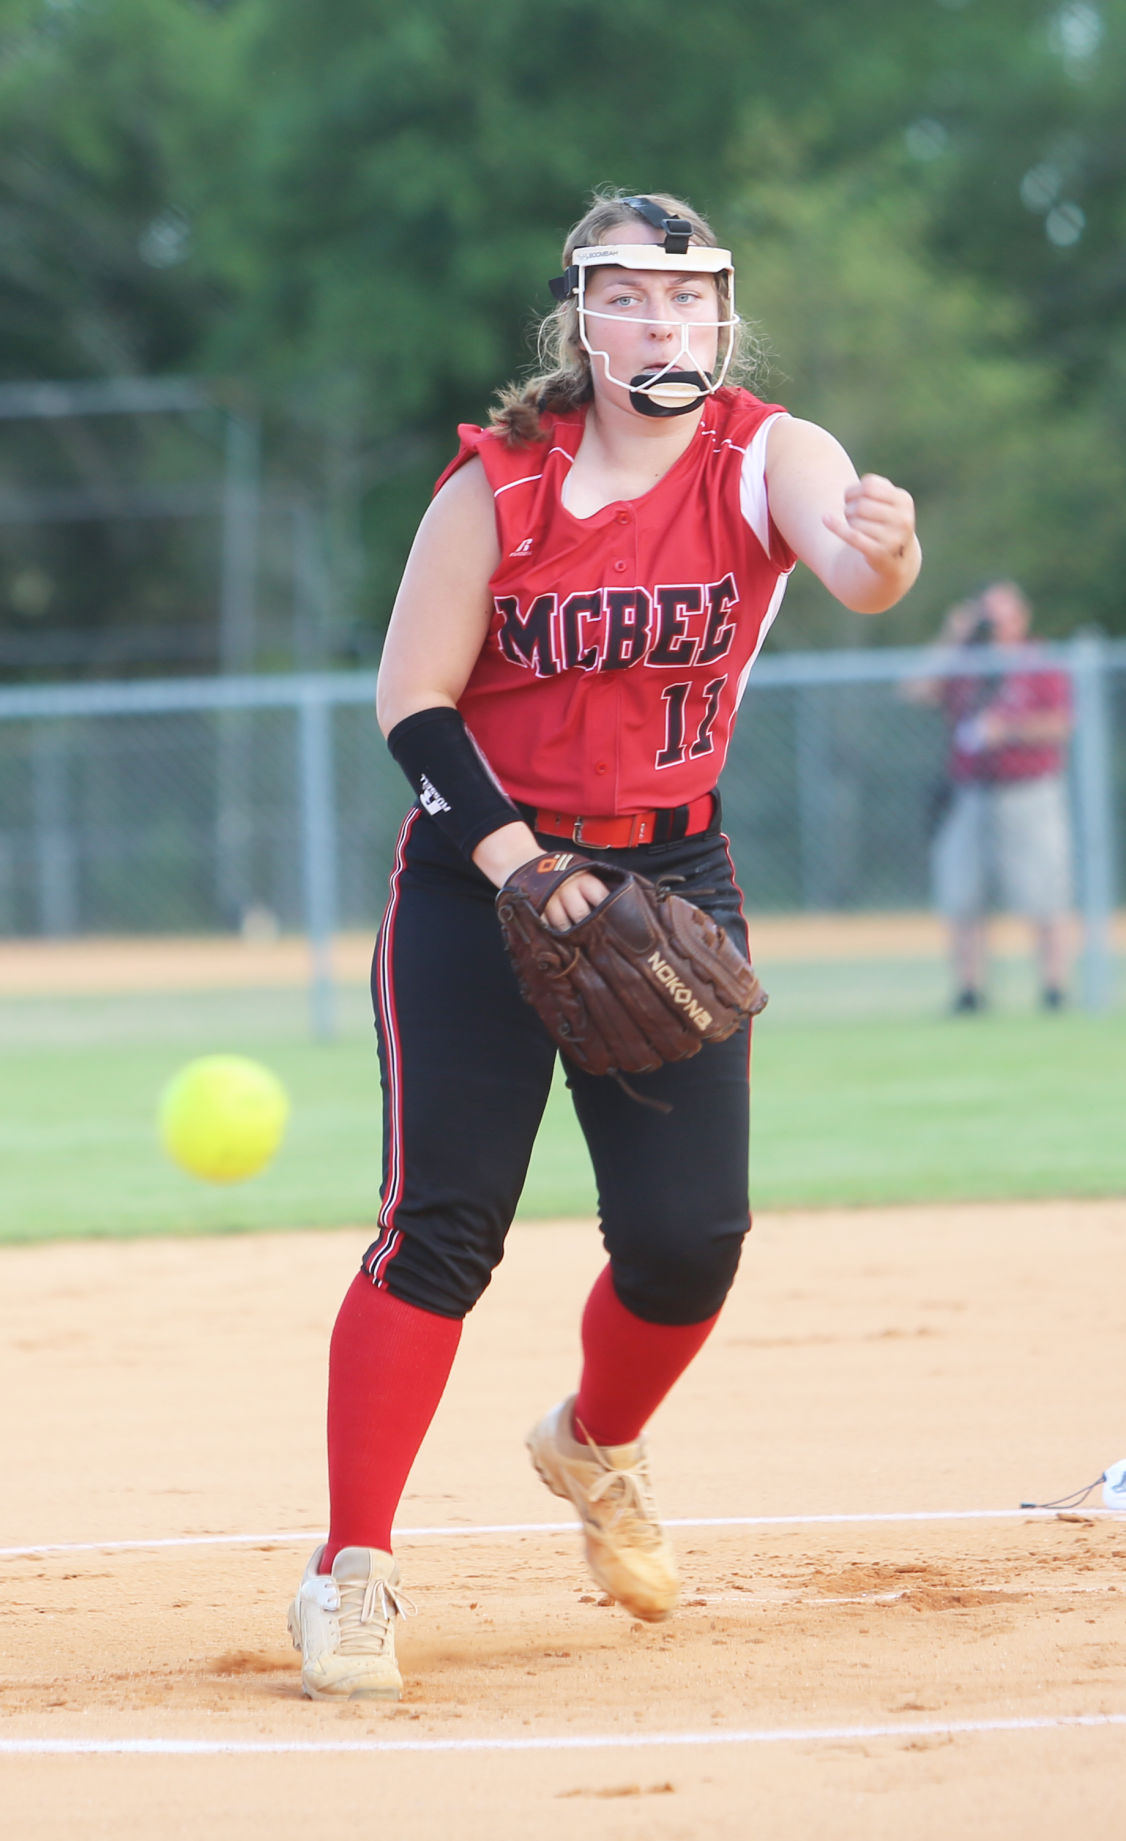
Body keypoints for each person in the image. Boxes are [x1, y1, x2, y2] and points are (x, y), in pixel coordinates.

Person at [286, 189, 921, 1700]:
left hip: (666, 874)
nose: (664, 325)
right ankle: (351, 1569)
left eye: (690, 299)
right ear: (580, 318)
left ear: (721, 319)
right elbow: (411, 705)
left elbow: (848, 557)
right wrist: (514, 864)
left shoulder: (762, 454)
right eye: (631, 297)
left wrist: (885, 552)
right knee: (439, 1228)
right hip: (477, 880)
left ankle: (594, 1442)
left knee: (690, 1239)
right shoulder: (494, 486)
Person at [909, 582, 1073, 1012]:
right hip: (971, 794)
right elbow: (916, 689)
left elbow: (1061, 723)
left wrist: (1007, 731)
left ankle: (1054, 989)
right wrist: (953, 636)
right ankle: (969, 991)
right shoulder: (963, 665)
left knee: (1045, 893)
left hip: (1029, 793)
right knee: (963, 893)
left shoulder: (1039, 662)